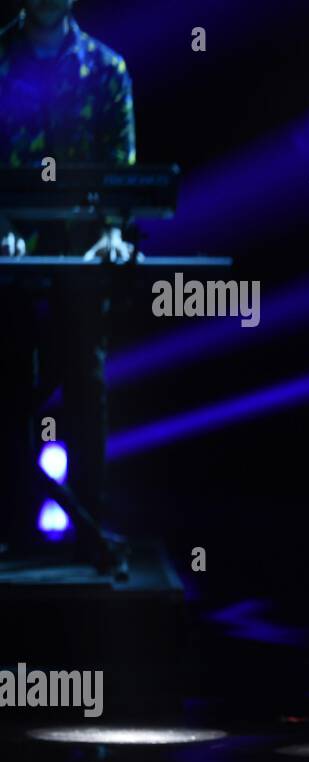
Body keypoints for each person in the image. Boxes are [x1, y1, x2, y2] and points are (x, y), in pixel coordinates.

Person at [0, 0, 135, 576]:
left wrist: (110, 232)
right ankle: (12, 526)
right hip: (8, 254)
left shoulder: (106, 69)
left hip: (81, 252)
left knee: (84, 380)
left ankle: (91, 525)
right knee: (8, 389)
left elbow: (121, 169)